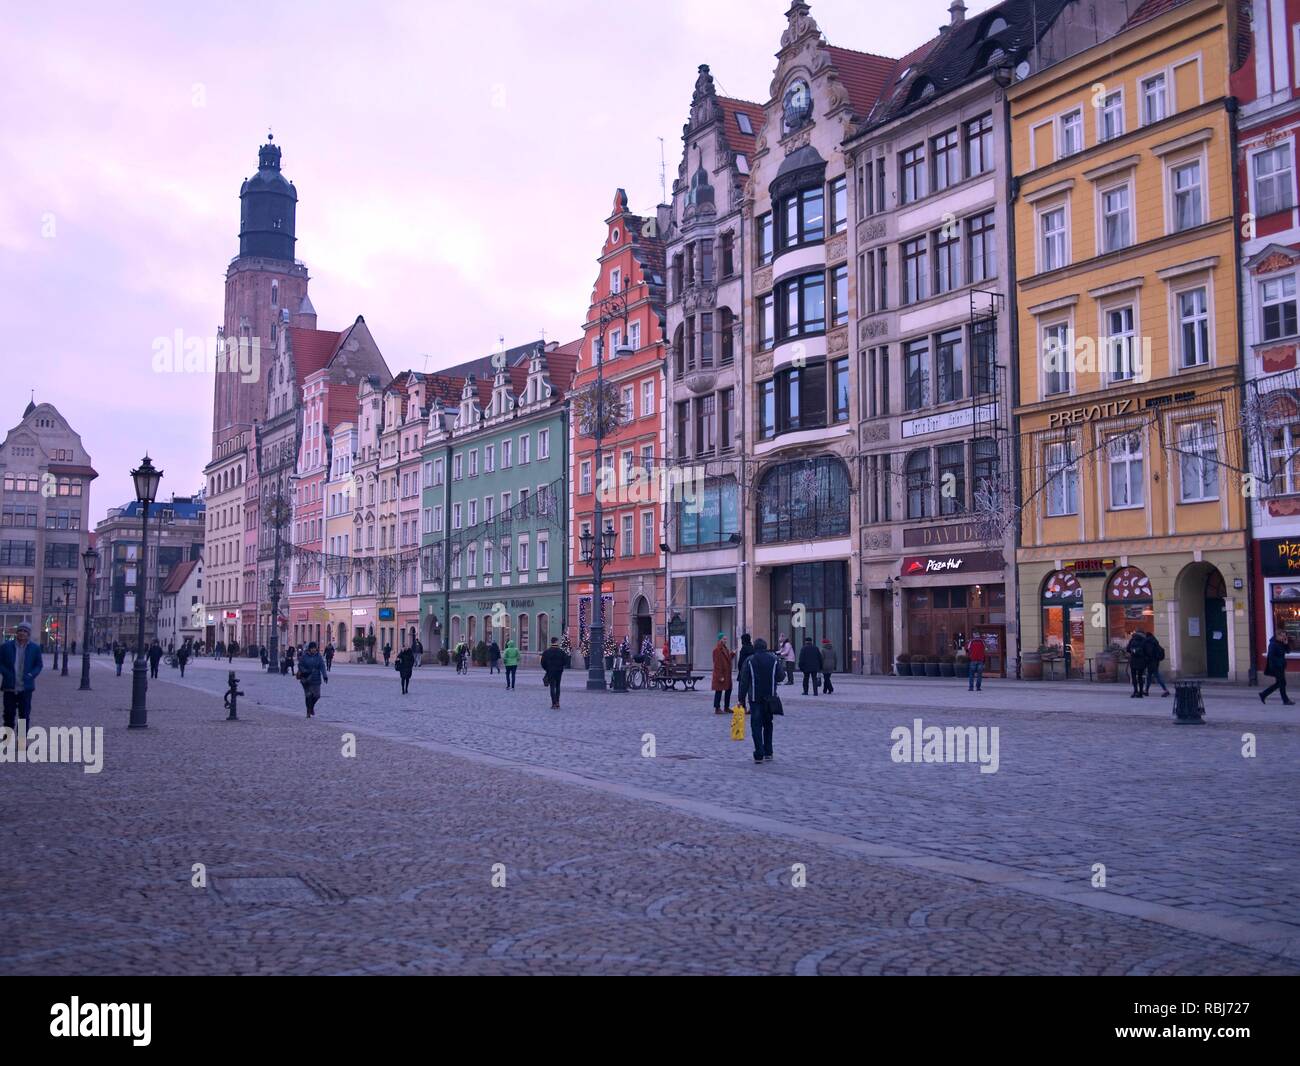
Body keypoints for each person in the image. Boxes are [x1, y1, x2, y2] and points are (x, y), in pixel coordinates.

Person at [737, 637, 782, 764]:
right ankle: (768, 751)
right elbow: (781, 676)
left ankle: (759, 753)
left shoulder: (750, 660)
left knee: (756, 725)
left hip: (755, 698)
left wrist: (741, 699)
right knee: (768, 724)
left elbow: (744, 681)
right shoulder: (774, 659)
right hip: (770, 697)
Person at [1, 621, 43, 740]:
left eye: (25, 631)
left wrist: (31, 675)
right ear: (16, 632)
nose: (22, 633)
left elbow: (38, 665)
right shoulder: (6, 647)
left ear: (28, 634)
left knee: (23, 715)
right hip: (9, 686)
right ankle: (6, 740)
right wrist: (6, 673)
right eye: (20, 630)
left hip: (26, 687)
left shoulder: (35, 648)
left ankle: (21, 741)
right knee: (8, 714)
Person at [1260, 631, 1294, 705]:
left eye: (1285, 636)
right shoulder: (1273, 644)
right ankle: (1285, 700)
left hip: (1281, 666)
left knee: (1280, 683)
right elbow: (1271, 656)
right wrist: (1278, 663)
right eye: (1282, 636)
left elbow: (1288, 651)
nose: (1284, 638)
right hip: (1276, 667)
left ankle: (1263, 694)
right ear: (1277, 636)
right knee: (1282, 683)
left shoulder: (1281, 643)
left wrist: (1286, 644)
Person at [297, 641, 327, 718]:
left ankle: (311, 707)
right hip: (306, 678)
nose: (314, 649)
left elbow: (322, 666)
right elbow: (300, 665)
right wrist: (306, 671)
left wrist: (324, 676)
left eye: (315, 648)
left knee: (317, 695)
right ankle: (308, 711)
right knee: (308, 695)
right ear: (309, 649)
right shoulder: (304, 656)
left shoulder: (318, 656)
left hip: (316, 678)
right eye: (312, 648)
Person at [540, 637, 567, 709]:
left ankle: (553, 703)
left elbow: (542, 662)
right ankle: (557, 702)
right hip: (559, 671)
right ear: (557, 642)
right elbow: (565, 661)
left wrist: (547, 669)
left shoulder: (546, 652)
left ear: (551, 642)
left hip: (550, 671)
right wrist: (561, 667)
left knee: (552, 687)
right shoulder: (561, 652)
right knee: (558, 686)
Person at [711, 632, 734, 715]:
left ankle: (726, 707)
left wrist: (732, 654)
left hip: (727, 674)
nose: (725, 640)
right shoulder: (717, 650)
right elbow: (717, 664)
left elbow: (727, 659)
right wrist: (720, 676)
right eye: (724, 639)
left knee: (728, 690)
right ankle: (717, 708)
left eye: (726, 639)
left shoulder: (725, 649)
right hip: (721, 674)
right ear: (720, 639)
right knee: (719, 691)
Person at [1143, 631, 1170, 696]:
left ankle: (1165, 690)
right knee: (1149, 676)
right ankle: (1146, 690)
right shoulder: (1155, 641)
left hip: (1150, 662)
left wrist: (1146, 657)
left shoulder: (1148, 642)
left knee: (1156, 676)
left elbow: (1149, 652)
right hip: (1155, 661)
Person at [1125, 630, 1149, 698]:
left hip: (1133, 661)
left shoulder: (1132, 640)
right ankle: (1140, 693)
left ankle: (1135, 691)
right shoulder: (1144, 640)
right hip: (1141, 661)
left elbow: (1128, 649)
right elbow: (1147, 650)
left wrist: (1133, 651)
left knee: (1133, 677)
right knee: (1140, 677)